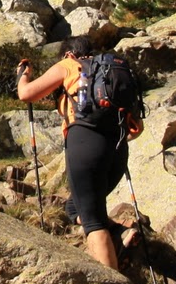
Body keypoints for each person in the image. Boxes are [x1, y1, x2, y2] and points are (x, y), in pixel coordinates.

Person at [15, 37, 132, 271]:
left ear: (69, 54)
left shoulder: (69, 65)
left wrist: (23, 75)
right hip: (118, 147)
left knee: (92, 222)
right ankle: (121, 232)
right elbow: (135, 125)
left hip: (85, 142)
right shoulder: (114, 69)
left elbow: (26, 94)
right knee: (75, 207)